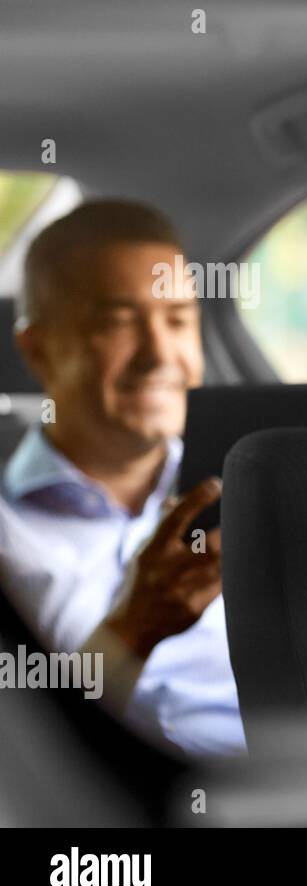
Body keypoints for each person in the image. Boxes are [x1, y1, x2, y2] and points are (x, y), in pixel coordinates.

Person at [0, 200, 244, 756]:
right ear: (37, 350)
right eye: (115, 324)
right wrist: (131, 630)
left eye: (179, 320)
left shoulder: (256, 491)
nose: (160, 355)